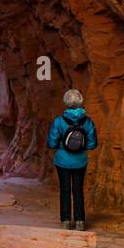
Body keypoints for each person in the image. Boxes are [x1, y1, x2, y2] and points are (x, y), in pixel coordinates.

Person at [46, 89, 98, 230]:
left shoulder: (59, 121)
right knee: (78, 190)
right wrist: (81, 147)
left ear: (66, 102)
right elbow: (92, 144)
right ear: (80, 101)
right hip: (80, 161)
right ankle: (80, 222)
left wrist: (62, 146)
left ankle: (66, 221)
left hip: (62, 161)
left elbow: (51, 143)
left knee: (65, 190)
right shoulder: (87, 122)